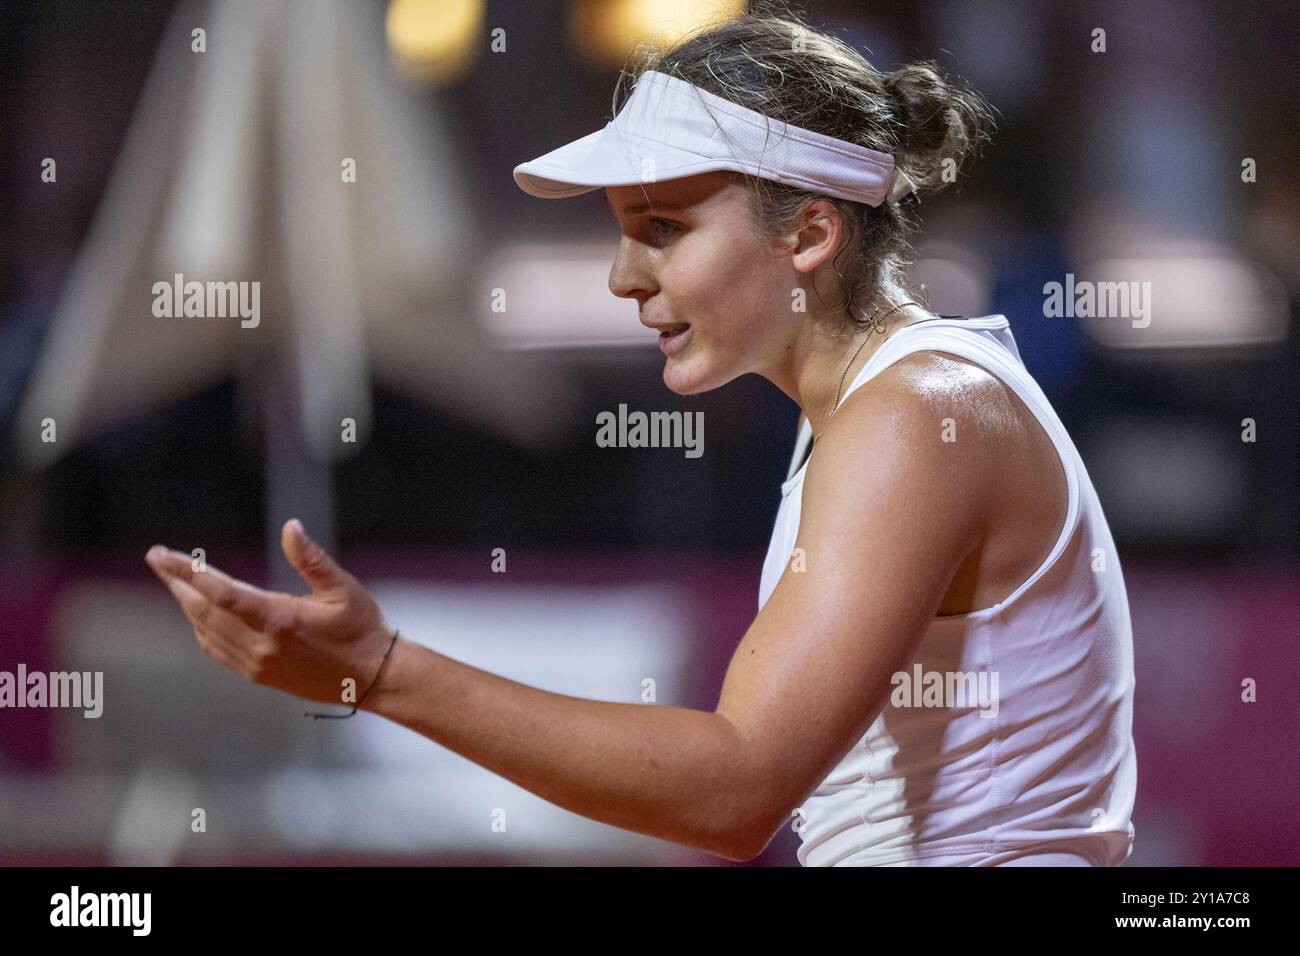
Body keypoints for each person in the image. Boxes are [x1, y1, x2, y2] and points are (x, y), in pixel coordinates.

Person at [145, 9, 1136, 866]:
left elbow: (736, 788)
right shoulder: (890, 404)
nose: (623, 275)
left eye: (661, 227)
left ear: (809, 234)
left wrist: (384, 669)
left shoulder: (914, 414)